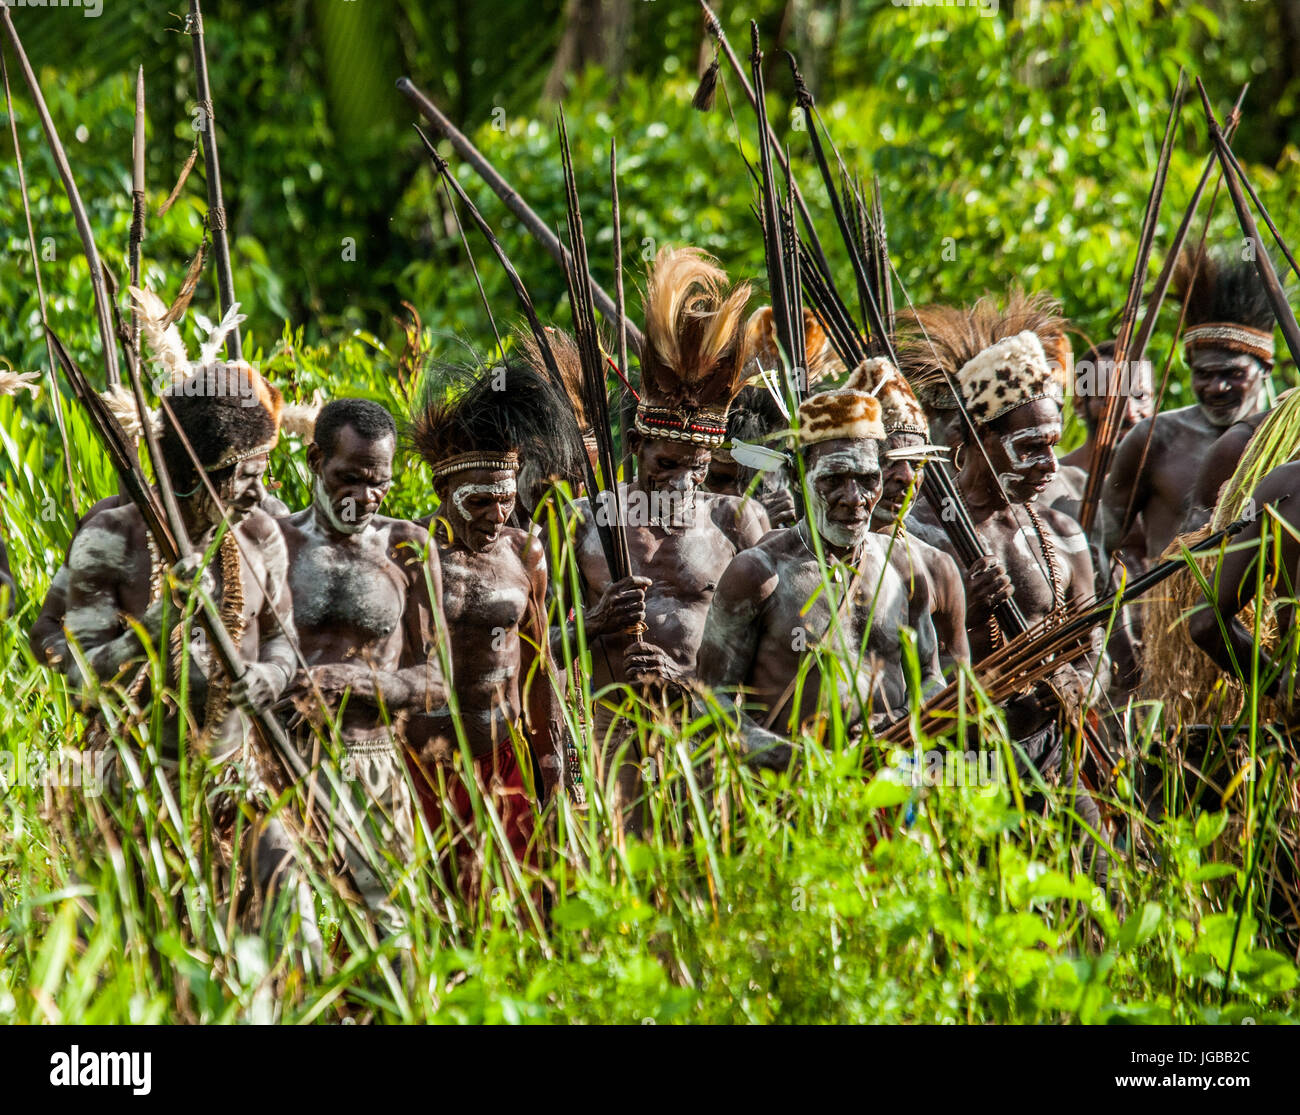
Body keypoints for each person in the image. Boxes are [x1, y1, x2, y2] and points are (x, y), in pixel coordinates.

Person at [52, 360, 316, 951]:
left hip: (233, 778)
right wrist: (157, 623)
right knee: (148, 950)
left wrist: (267, 676)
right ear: (201, 474)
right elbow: (78, 675)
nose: (260, 491)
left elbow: (282, 643)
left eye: (265, 471)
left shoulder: (259, 539)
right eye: (246, 474)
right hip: (138, 786)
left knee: (289, 920)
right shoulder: (112, 538)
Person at [901, 294, 1106, 873]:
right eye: (1030, 446)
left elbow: (1096, 652)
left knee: (1096, 898)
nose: (1050, 463)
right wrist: (965, 612)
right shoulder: (915, 539)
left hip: (1054, 752)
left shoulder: (1061, 534)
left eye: (1054, 444)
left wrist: (1076, 688)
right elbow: (891, 665)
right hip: (960, 764)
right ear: (977, 442)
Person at [567, 248, 767, 820]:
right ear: (634, 447)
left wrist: (690, 683)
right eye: (665, 465)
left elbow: (773, 638)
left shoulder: (736, 521)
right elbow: (534, 642)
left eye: (696, 467)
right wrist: (595, 622)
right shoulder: (586, 519)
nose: (681, 481)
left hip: (705, 725)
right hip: (608, 731)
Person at [696, 378, 943, 767]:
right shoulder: (759, 573)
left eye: (866, 479)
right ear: (797, 478)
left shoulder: (903, 567)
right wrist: (797, 761)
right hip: (790, 799)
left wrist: (905, 731)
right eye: (832, 479)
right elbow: (710, 700)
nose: (854, 498)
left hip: (888, 791)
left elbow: (932, 677)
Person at [275, 397, 446, 935]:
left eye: (379, 484)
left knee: (391, 929)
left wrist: (358, 683)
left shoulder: (408, 547)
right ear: (314, 461)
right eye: (348, 478)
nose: (363, 498)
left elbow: (436, 682)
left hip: (370, 762)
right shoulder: (271, 542)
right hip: (278, 757)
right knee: (284, 927)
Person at [407, 358, 567, 890]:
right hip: (425, 765)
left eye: (505, 499)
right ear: (441, 492)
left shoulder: (526, 552)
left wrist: (549, 759)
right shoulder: (409, 552)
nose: (496, 515)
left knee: (522, 909)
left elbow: (538, 666)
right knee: (433, 907)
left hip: (505, 760)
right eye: (478, 501)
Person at [1101, 248, 1274, 565]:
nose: (1217, 388)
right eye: (1203, 374)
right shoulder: (1154, 438)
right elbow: (1101, 541)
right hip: (1170, 609)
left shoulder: (1289, 441)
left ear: (1266, 369)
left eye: (1233, 374)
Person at [851, 356, 969, 666]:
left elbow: (954, 683)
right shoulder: (799, 552)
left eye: (917, 464)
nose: (906, 476)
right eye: (889, 459)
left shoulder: (935, 568)